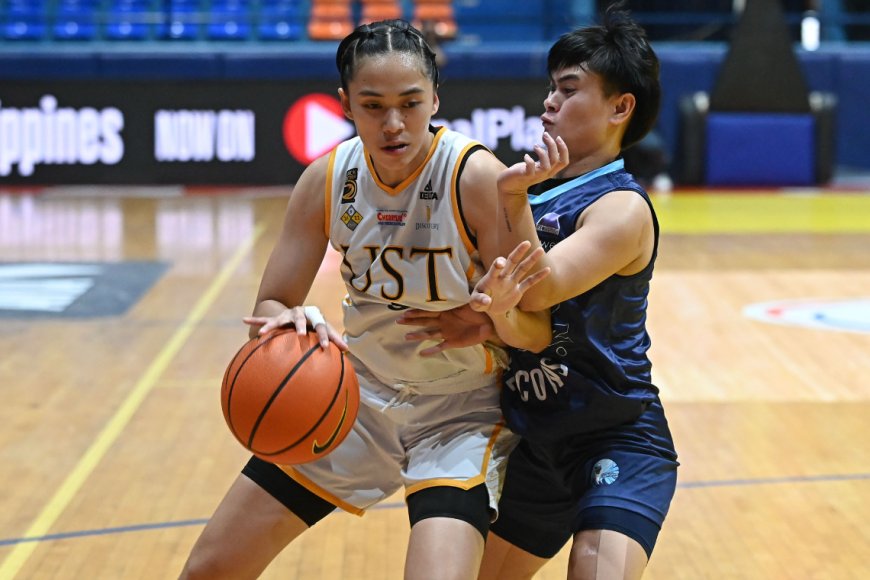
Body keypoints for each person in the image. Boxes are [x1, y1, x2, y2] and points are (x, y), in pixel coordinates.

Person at [179, 19, 561, 580]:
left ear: (435, 97)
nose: (393, 123)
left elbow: (540, 329)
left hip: (460, 415)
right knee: (208, 571)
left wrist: (497, 313)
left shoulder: (477, 177)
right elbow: (269, 305)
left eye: (410, 103)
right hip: (353, 402)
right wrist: (287, 324)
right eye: (373, 105)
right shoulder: (327, 180)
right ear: (345, 105)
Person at [400, 5, 680, 579]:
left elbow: (537, 289)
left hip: (616, 434)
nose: (549, 101)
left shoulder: (620, 208)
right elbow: (504, 304)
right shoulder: (538, 195)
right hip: (535, 437)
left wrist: (508, 200)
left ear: (620, 108)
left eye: (570, 89)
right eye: (551, 88)